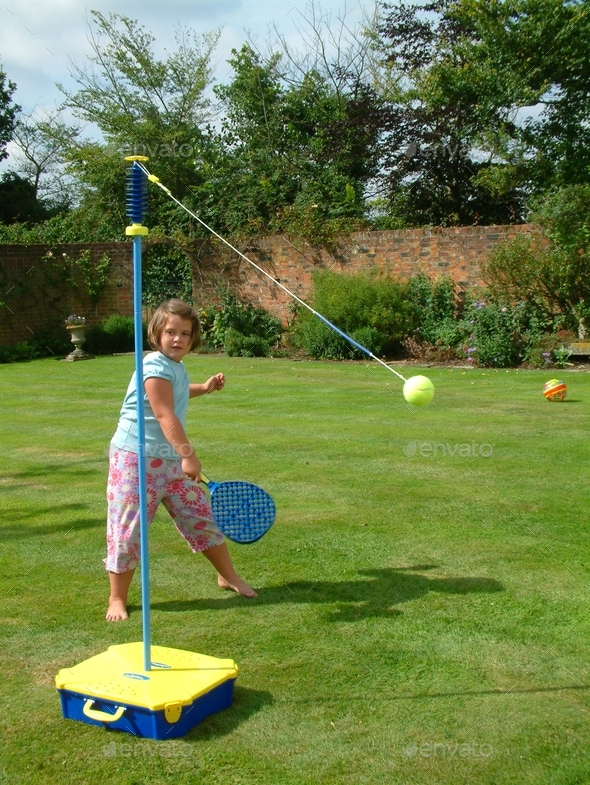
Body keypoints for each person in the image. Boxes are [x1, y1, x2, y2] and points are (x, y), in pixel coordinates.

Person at [105, 298, 256, 621]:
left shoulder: (176, 367)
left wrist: (206, 387)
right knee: (127, 530)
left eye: (185, 334)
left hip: (168, 461)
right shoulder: (154, 367)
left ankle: (227, 576)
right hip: (135, 460)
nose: (178, 339)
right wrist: (189, 456)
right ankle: (117, 598)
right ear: (157, 333)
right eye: (171, 332)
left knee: (200, 517)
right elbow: (164, 413)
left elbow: (178, 393)